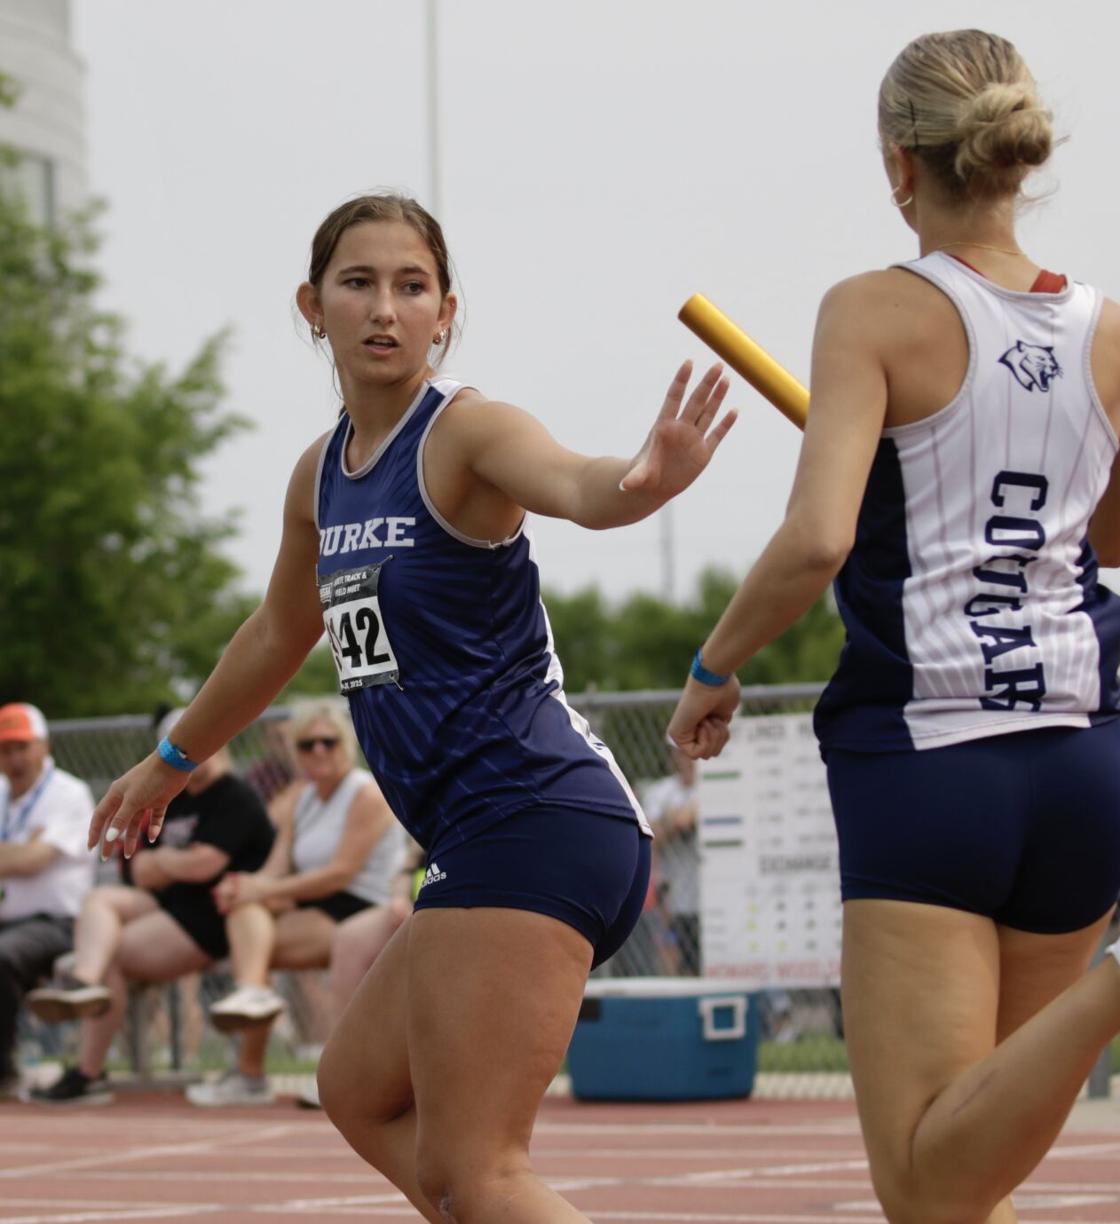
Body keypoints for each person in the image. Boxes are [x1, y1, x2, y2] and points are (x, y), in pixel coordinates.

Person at [666, 31, 1120, 1224]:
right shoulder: (1114, 333)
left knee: (924, 1181)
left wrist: (712, 667)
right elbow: (1112, 542)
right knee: (973, 1161)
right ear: (1015, 153)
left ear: (900, 163)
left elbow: (814, 542)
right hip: (1076, 764)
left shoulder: (872, 313)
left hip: (929, 760)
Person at [85, 192, 734, 1221]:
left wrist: (640, 485)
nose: (384, 308)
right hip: (483, 836)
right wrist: (170, 760)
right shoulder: (320, 477)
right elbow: (272, 637)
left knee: (480, 1171)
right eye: (358, 283)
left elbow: (576, 481)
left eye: (411, 286)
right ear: (312, 305)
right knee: (361, 1094)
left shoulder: (466, 432)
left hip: (537, 813)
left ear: (445, 311)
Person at [25, 711, 274, 1104]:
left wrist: (166, 865)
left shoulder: (235, 796)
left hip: (213, 917)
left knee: (114, 954)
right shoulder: (174, 796)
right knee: (100, 899)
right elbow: (137, 870)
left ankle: (88, 1074)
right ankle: (84, 983)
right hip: (167, 907)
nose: (194, 757)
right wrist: (174, 865)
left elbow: (203, 866)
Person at [187, 700, 404, 1106]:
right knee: (245, 912)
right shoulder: (301, 799)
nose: (318, 751)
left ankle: (260, 1056)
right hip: (311, 905)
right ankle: (252, 1006)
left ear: (347, 744)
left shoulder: (367, 794)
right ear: (295, 753)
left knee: (254, 938)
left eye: (328, 742)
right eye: (307, 745)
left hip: (361, 907)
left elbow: (340, 873)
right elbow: (276, 866)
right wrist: (242, 885)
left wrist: (261, 891)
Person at [0, 704, 97, 1098]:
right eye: (5, 749)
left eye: (23, 747)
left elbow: (34, 860)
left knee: (2, 955)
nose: (15, 758)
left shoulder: (69, 793)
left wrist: (25, 853)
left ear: (44, 746)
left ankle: (2, 1069)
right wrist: (20, 849)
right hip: (9, 921)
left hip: (59, 923)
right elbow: (23, 857)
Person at [641, 742, 701, 973]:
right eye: (680, 752)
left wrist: (677, 818)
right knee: (677, 967)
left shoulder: (714, 785)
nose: (686, 758)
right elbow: (651, 835)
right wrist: (677, 819)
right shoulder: (661, 792)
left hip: (710, 899)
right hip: (675, 899)